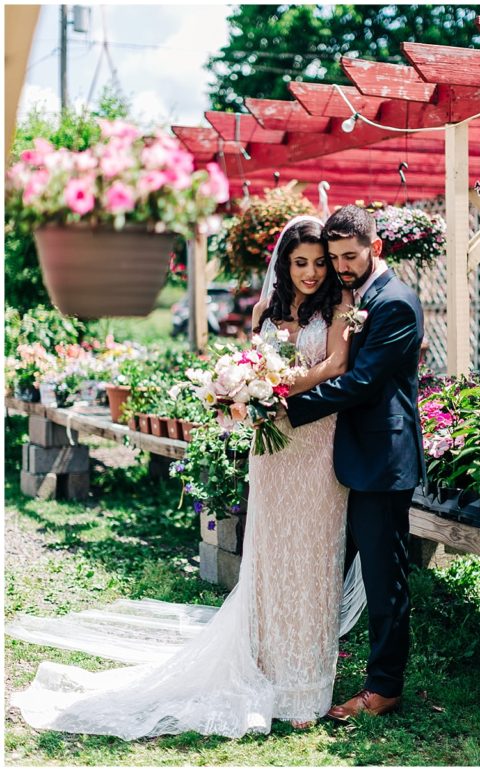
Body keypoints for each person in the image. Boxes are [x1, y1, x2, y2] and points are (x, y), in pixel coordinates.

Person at [8, 215, 361, 738]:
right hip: (272, 452)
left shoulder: (340, 307)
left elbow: (335, 366)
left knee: (313, 558)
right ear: (284, 264)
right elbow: (251, 362)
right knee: (267, 558)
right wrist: (245, 392)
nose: (311, 273)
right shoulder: (265, 309)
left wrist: (274, 391)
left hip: (316, 447)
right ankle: (264, 669)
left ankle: (306, 684)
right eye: (300, 262)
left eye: (317, 263)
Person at [285, 203, 426, 720]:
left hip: (383, 460)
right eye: (334, 257)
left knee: (384, 579)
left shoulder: (395, 304)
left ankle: (383, 689)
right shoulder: (358, 296)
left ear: (376, 249)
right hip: (353, 456)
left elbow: (363, 382)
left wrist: (285, 406)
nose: (341, 266)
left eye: (350, 256)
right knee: (341, 567)